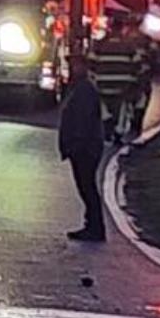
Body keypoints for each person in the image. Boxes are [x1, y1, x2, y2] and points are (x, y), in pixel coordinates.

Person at [58, 57, 106, 241]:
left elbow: (82, 121)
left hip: (85, 148)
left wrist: (75, 144)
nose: (72, 69)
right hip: (84, 146)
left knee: (87, 187)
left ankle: (95, 227)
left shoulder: (84, 90)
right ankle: (92, 225)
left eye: (75, 65)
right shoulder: (79, 88)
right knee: (86, 187)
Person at [90, 11, 154, 144]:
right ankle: (121, 131)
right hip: (124, 86)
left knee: (101, 102)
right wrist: (138, 78)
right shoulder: (131, 45)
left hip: (103, 85)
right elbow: (140, 65)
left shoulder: (99, 45)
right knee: (126, 103)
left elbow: (91, 65)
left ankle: (107, 124)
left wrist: (96, 78)